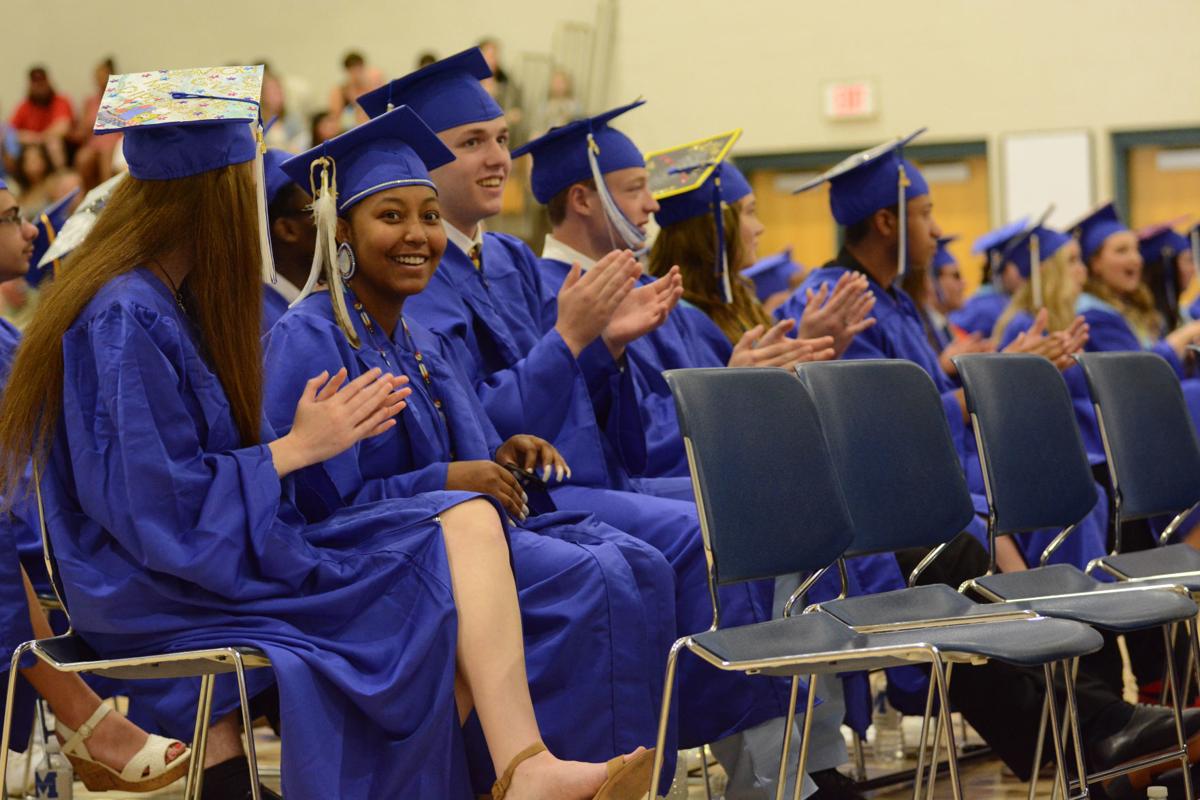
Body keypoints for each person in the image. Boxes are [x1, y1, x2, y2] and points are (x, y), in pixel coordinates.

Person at [0, 65, 650, 800]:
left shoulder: (169, 301)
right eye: (247, 184)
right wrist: (298, 447)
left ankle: (524, 766)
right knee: (419, 595)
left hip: (209, 546)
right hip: (153, 580)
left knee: (463, 531)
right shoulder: (128, 313)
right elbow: (152, 507)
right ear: (210, 195)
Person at [356, 50, 799, 777]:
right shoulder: (417, 278)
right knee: (676, 542)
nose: (500, 157)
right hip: (509, 499)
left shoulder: (507, 262)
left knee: (729, 523)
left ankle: (692, 754)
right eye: (472, 144)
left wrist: (604, 348)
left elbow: (583, 414)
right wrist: (572, 340)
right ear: (418, 163)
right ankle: (638, 758)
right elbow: (482, 432)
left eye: (500, 137)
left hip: (561, 485)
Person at [262, 105, 675, 792]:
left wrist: (502, 451)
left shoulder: (419, 338)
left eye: (427, 215)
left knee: (638, 560)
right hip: (364, 559)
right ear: (341, 233)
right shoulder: (313, 336)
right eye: (390, 216)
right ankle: (526, 775)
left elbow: (472, 455)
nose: (419, 235)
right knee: (584, 577)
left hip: (445, 537)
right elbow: (311, 507)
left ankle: (614, 774)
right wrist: (448, 476)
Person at [513, 105, 861, 799]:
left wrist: (732, 385)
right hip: (574, 489)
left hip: (634, 478)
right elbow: (606, 436)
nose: (653, 206)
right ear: (583, 197)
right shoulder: (538, 292)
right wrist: (610, 347)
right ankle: (774, 774)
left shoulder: (653, 297)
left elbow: (649, 419)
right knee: (747, 518)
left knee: (799, 509)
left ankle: (807, 763)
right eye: (637, 187)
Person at [0, 176, 192, 793]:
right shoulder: (122, 309)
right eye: (11, 218)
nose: (29, 231)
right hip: (39, 522)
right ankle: (86, 718)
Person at [1071, 203, 1200, 371]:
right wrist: (1183, 337)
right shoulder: (1092, 315)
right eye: (1122, 251)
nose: (1136, 259)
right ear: (1095, 263)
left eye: (1136, 249)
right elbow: (1134, 373)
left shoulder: (1132, 306)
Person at [261, 148, 314, 330]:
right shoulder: (268, 324)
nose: (337, 224)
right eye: (320, 212)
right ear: (287, 229)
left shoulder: (302, 304)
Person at [948, 218, 1029, 337]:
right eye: (1021, 266)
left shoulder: (1000, 300)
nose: (1025, 275)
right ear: (1003, 270)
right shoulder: (988, 307)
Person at [9, 67, 74, 171]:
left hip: (62, 148)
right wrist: (31, 138)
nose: (40, 87)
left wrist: (41, 138)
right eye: (36, 83)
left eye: (42, 82)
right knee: (31, 155)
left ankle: (61, 175)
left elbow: (63, 127)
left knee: (54, 144)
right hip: (34, 148)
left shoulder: (60, 101)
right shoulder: (24, 107)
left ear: (48, 82)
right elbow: (11, 132)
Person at [1137, 220, 1196, 331]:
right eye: (1189, 261)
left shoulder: (1179, 313)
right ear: (1167, 269)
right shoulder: (1141, 319)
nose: (1194, 269)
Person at [328, 51, 383, 131]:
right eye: (352, 70)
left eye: (358, 70)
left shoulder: (374, 84)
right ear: (347, 71)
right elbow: (335, 119)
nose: (356, 74)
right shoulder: (340, 92)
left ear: (363, 68)